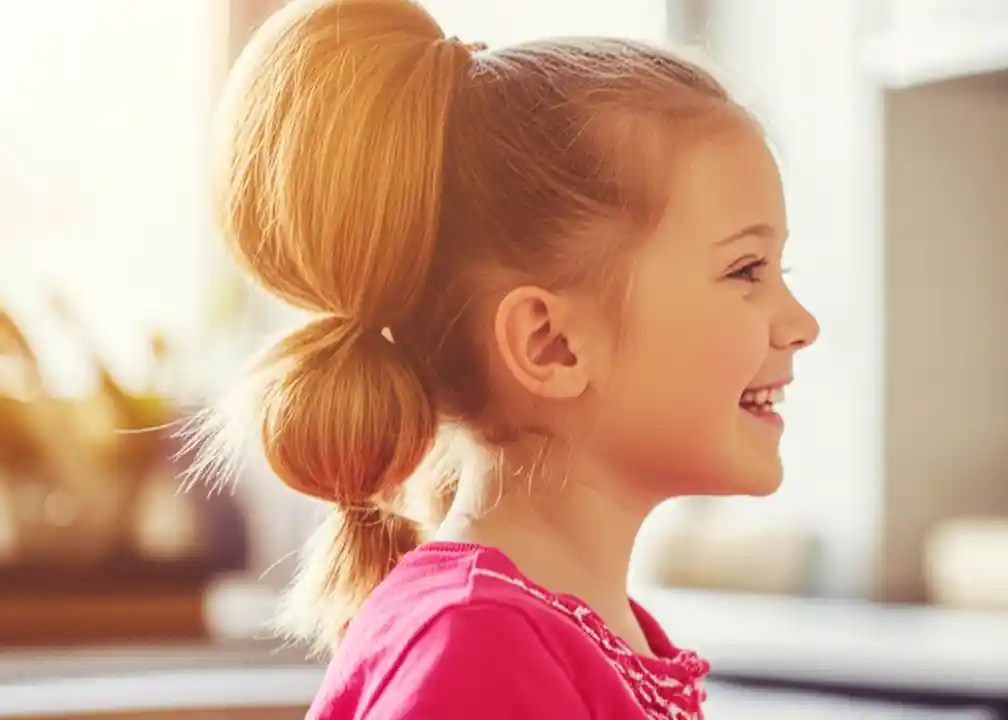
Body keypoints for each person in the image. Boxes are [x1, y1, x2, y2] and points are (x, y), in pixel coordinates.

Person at [198, 0, 819, 716]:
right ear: (548, 344)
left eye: (781, 273)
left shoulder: (567, 630)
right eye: (746, 271)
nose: (800, 325)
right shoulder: (479, 648)